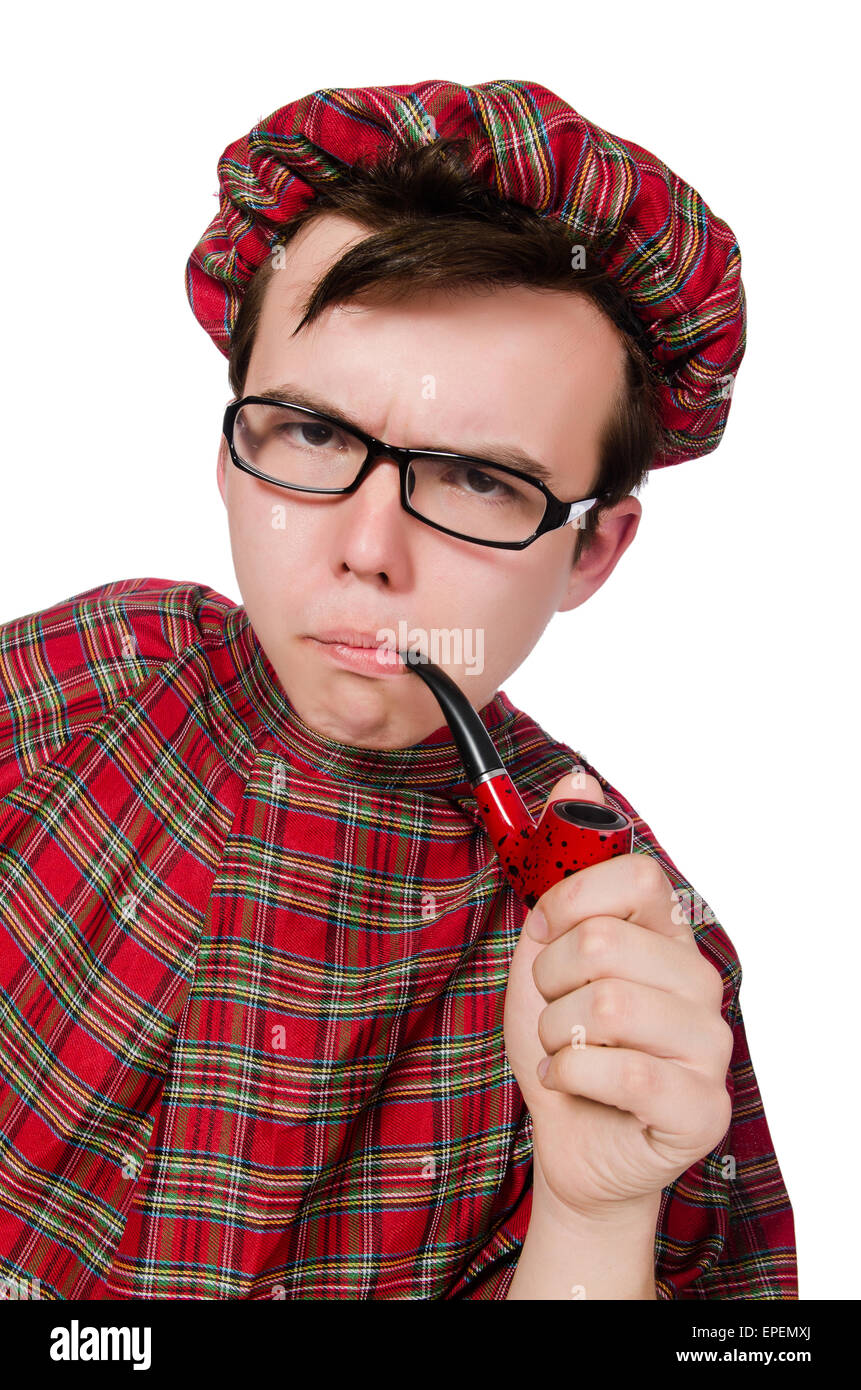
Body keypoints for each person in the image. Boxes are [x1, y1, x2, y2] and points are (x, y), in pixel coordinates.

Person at [0, 79, 796, 1300]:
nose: (370, 547)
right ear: (230, 453)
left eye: (479, 479)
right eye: (314, 435)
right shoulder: (84, 678)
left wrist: (596, 1218)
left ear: (592, 550)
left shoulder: (628, 965)